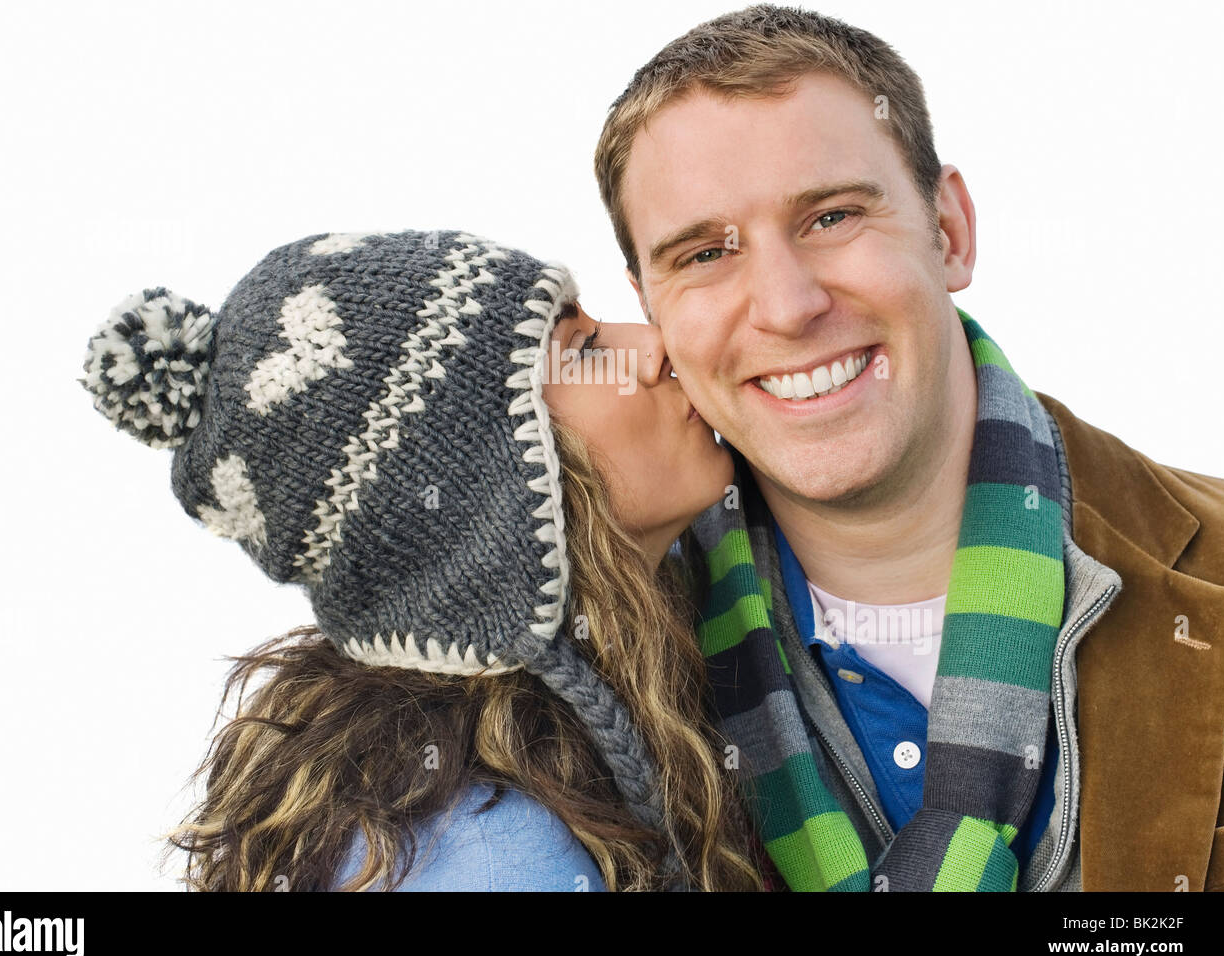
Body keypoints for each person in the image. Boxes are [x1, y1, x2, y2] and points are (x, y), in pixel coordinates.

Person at [592, 4, 1224, 892]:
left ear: (949, 231)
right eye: (704, 254)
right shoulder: (587, 691)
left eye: (831, 217)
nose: (786, 305)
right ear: (652, 307)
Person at [77, 228, 763, 892]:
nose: (652, 346)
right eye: (583, 352)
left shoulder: (688, 648)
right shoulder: (483, 851)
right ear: (483, 496)